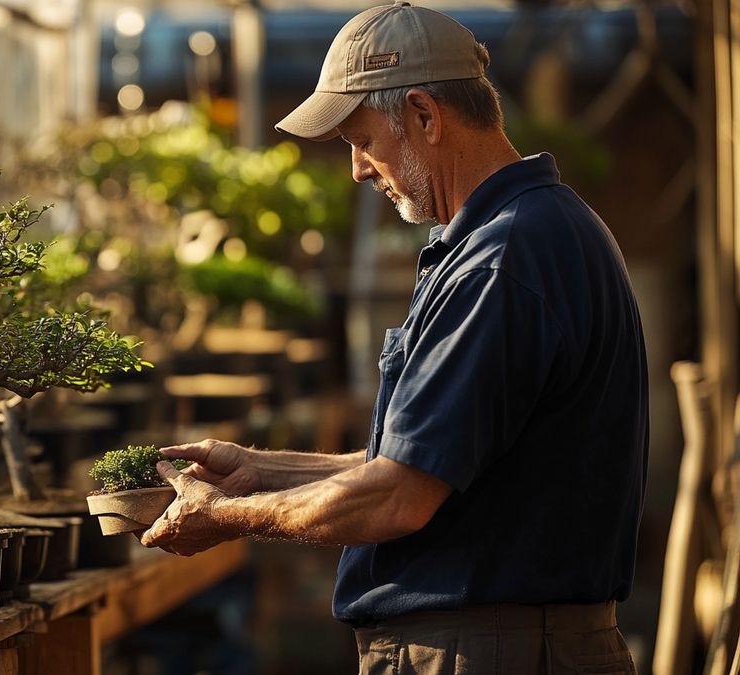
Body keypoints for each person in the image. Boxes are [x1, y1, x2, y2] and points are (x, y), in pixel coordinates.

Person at [139, 2, 648, 673]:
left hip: (491, 652)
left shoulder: (504, 259)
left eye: (360, 139)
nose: (355, 168)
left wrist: (231, 517)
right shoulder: (519, 236)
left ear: (424, 116)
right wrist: (258, 470)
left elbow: (399, 497)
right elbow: (417, 465)